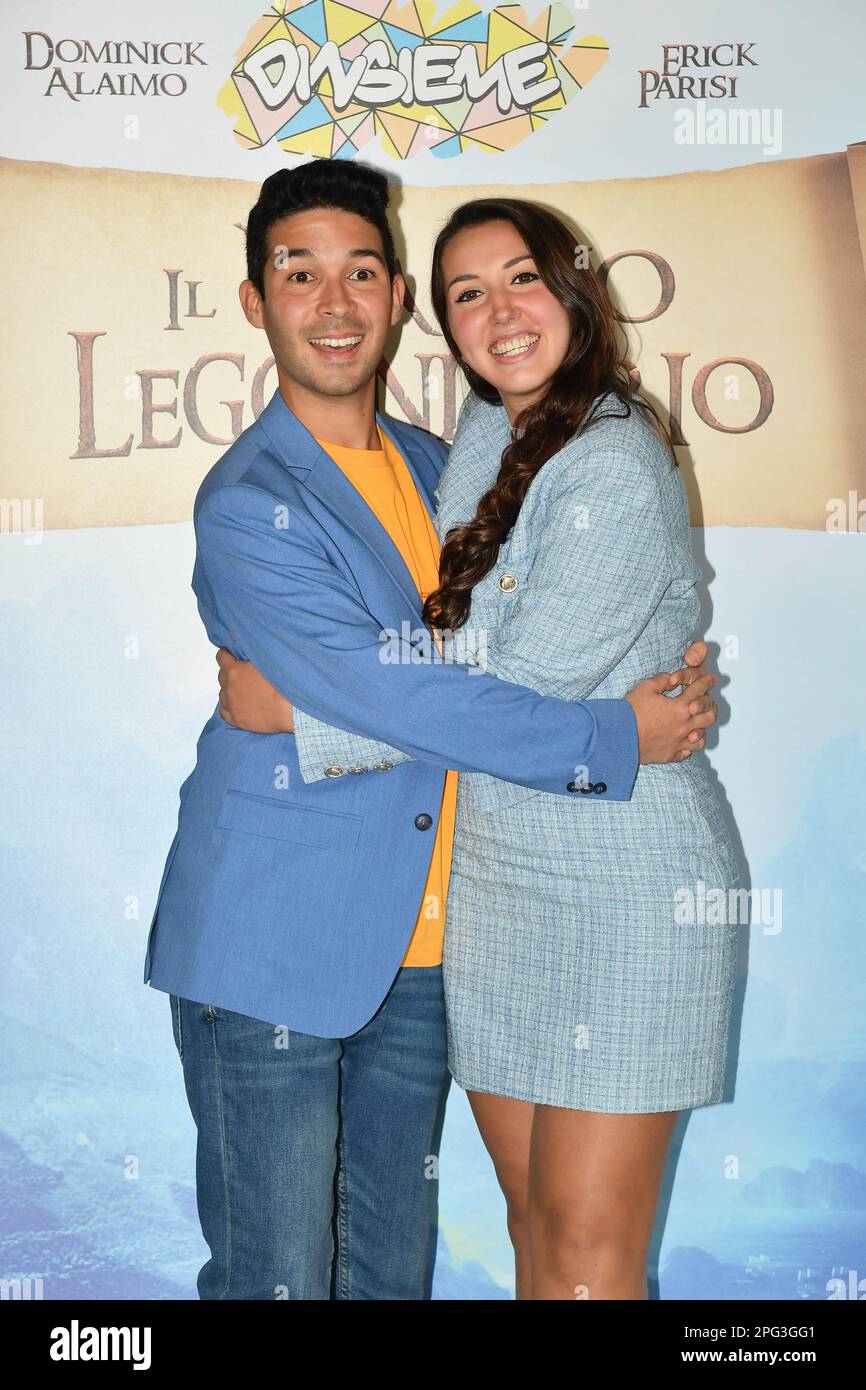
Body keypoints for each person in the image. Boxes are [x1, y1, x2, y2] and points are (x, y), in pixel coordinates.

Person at [147, 159, 717, 1301]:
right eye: (296, 272)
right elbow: (406, 695)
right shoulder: (251, 496)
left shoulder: (448, 464)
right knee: (278, 1280)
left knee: (389, 1277)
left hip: (430, 952)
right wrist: (608, 736)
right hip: (276, 942)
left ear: (395, 298)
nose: (333, 300)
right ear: (256, 302)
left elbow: (467, 675)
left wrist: (299, 713)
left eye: (361, 270)